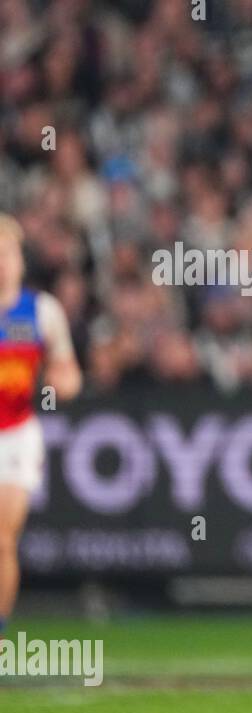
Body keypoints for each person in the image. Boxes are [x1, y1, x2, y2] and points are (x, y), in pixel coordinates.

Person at [0, 214, 83, 640]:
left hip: (15, 432)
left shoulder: (42, 311)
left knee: (2, 539)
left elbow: (69, 372)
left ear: (19, 260)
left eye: (7, 253)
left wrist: (59, 383)